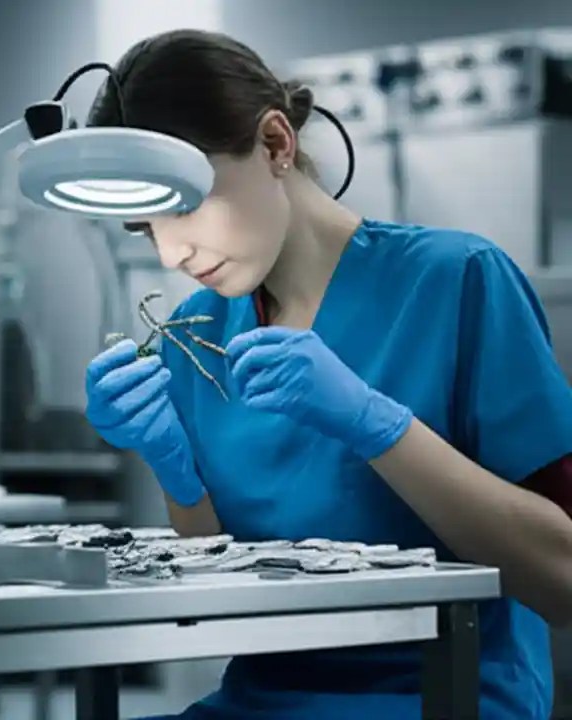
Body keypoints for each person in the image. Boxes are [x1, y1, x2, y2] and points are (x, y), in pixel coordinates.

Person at [82, 29, 572, 720]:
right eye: (145, 228)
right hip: (262, 702)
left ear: (276, 145)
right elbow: (221, 598)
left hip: (446, 695)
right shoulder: (199, 330)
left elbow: (563, 579)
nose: (173, 251)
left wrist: (379, 426)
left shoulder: (457, 282)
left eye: (185, 206)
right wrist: (174, 470)